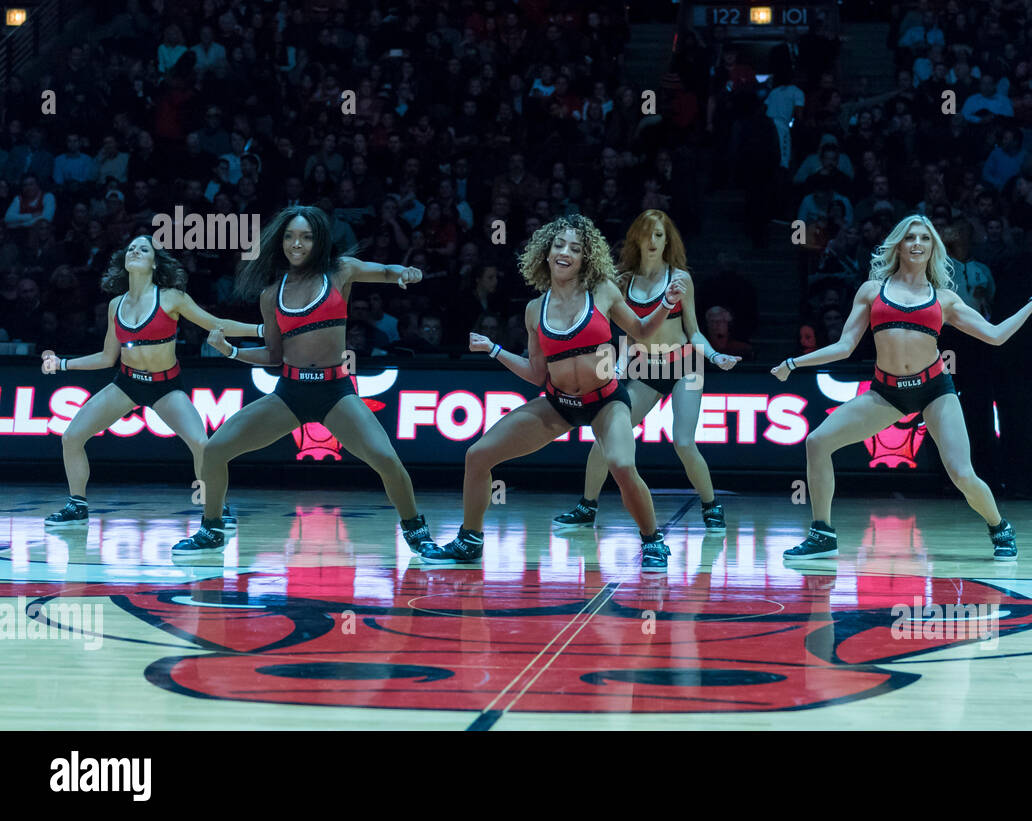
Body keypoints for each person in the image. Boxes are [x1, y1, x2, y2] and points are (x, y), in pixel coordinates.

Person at [771, 215, 1032, 561]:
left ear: (933, 247)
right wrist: (794, 362)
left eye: (924, 238)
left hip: (935, 389)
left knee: (963, 474)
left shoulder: (944, 299)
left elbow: (995, 336)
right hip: (886, 393)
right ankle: (822, 533)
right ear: (898, 246)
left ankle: (999, 527)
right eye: (910, 238)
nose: (917, 243)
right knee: (817, 442)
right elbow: (844, 346)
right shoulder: (872, 291)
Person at [422, 214, 685, 571]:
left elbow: (639, 329)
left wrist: (667, 304)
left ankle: (653, 540)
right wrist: (495, 349)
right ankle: (470, 540)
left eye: (575, 248)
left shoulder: (603, 290)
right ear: (546, 253)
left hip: (606, 402)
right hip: (559, 404)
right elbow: (535, 374)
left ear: (585, 258)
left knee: (622, 465)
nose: (565, 252)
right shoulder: (534, 310)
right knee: (478, 455)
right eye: (559, 245)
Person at [172, 206, 437, 555]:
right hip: (290, 393)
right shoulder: (271, 294)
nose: (297, 244)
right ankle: (212, 528)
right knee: (215, 450)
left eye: (306, 237)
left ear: (319, 241)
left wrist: (404, 272)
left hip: (335, 392)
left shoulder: (340, 271)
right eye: (290, 236)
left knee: (387, 460)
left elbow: (385, 271)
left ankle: (417, 531)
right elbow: (273, 356)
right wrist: (232, 352)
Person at [41, 236, 261, 526]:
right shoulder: (115, 305)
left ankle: (215, 508)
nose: (135, 251)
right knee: (71, 437)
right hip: (127, 383)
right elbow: (108, 358)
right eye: (131, 248)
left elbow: (217, 324)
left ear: (154, 262)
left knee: (202, 444)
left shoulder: (171, 297)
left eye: (143, 249)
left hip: (165, 387)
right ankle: (77, 506)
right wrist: (62, 364)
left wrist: (262, 329)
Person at [552, 210, 740, 532]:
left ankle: (711, 505)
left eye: (659, 235)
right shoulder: (623, 281)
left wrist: (713, 355)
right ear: (636, 238)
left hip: (684, 364)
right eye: (647, 234)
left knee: (683, 442)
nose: (652, 241)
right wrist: (619, 367)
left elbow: (693, 331)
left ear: (667, 241)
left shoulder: (680, 278)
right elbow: (623, 336)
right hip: (644, 366)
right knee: (605, 439)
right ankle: (587, 507)